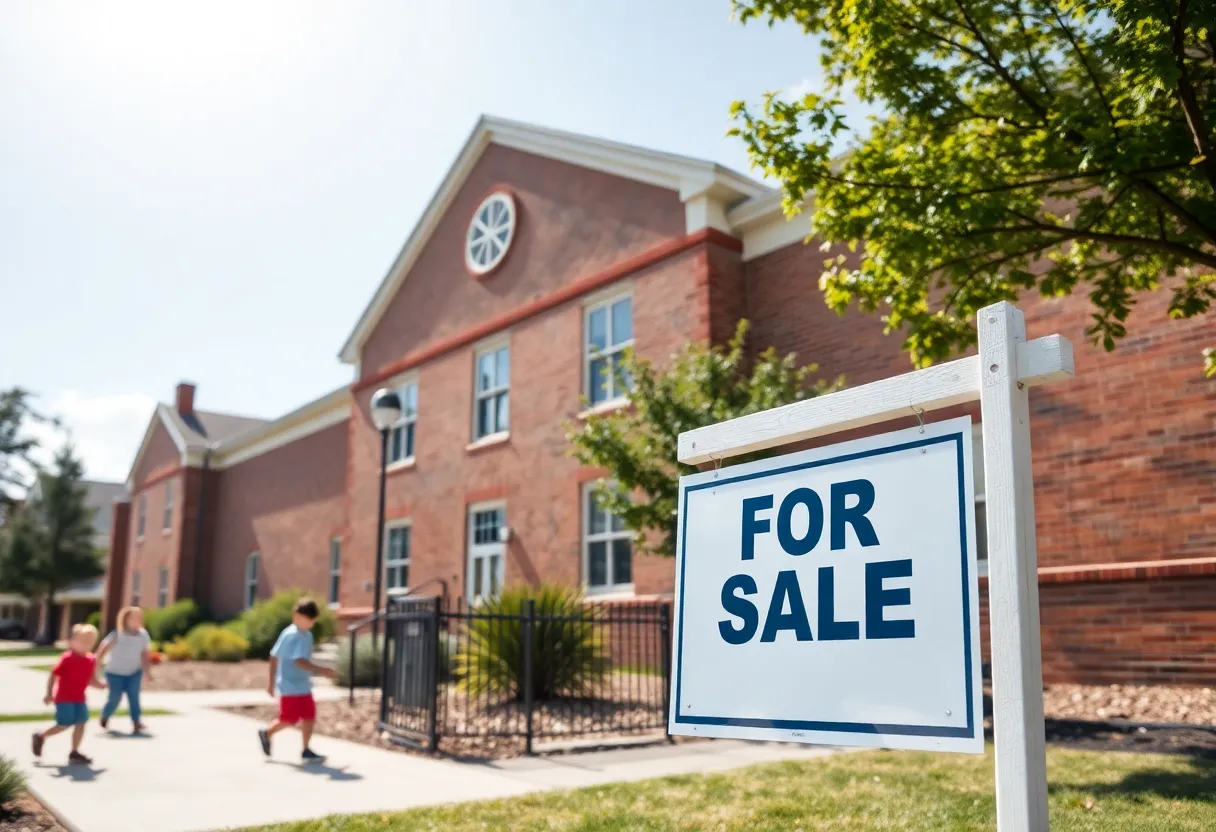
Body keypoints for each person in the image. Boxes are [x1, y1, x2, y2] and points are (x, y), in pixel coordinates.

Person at [258, 598, 334, 763]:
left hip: (303, 685)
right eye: (306, 619)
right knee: (289, 718)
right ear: (296, 616)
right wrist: (271, 683)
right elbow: (289, 659)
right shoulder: (290, 634)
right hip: (288, 685)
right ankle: (267, 733)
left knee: (309, 715)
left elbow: (298, 659)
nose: (309, 623)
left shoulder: (307, 635)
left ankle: (306, 750)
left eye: (311, 621)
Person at [32, 623, 106, 764]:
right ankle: (41, 736)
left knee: (81, 722)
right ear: (73, 641)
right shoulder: (68, 658)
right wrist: (49, 694)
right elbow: (54, 675)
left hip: (80, 699)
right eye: (83, 641)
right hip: (64, 698)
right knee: (64, 724)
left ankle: (74, 751)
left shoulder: (91, 660)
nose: (87, 645)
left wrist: (100, 685)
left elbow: (91, 680)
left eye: (90, 642)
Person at [94, 606, 153, 733]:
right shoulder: (117, 634)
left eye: (139, 618)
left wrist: (147, 672)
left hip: (134, 672)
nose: (137, 620)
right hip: (114, 673)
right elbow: (102, 650)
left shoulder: (143, 635)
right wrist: (96, 668)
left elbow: (145, 654)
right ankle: (105, 715)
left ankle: (136, 722)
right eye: (134, 618)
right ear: (125, 619)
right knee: (115, 698)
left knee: (134, 697)